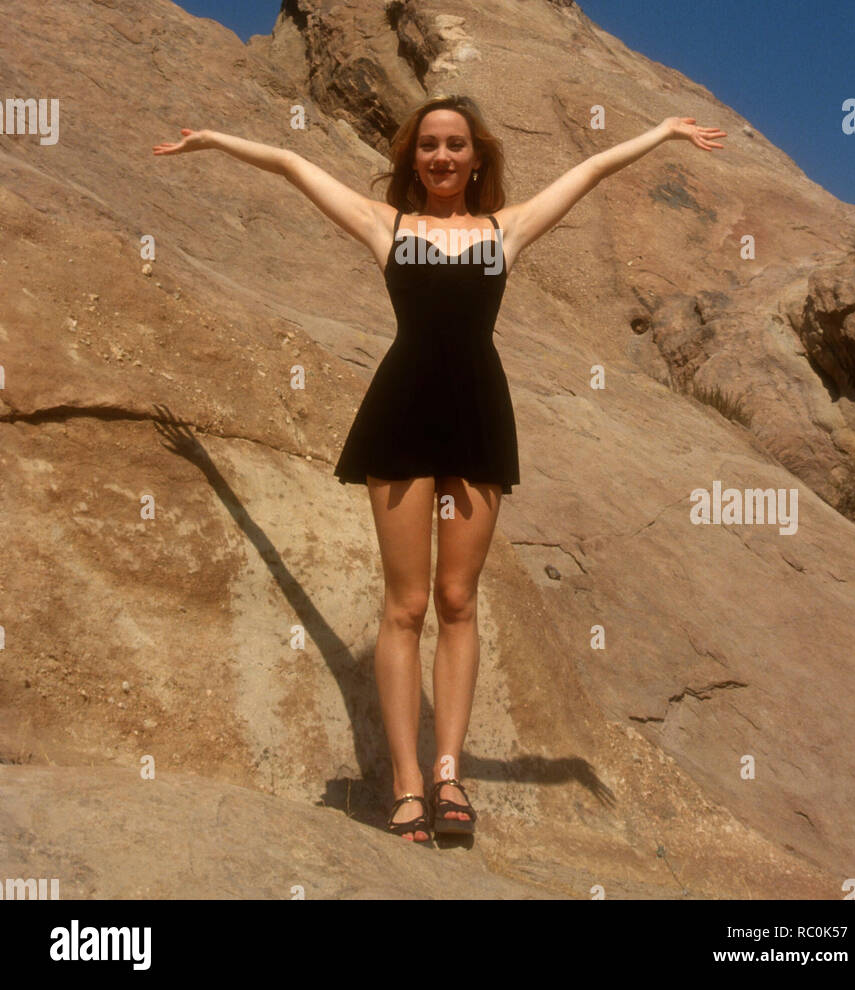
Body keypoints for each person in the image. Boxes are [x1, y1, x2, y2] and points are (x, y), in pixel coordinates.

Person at [154, 95, 725, 844]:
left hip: (478, 421)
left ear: (476, 157)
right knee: (407, 605)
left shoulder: (503, 231)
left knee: (459, 599)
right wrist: (217, 137)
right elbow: (294, 165)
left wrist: (664, 131)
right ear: (413, 159)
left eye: (456, 144)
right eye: (429, 145)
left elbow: (589, 169)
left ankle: (450, 773)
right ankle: (407, 785)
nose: (443, 156)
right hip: (401, 417)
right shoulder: (387, 227)